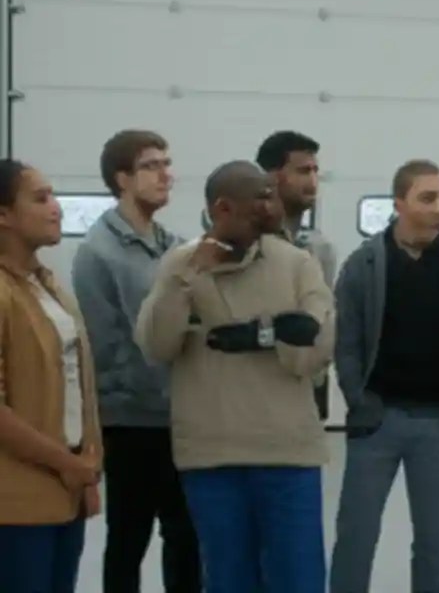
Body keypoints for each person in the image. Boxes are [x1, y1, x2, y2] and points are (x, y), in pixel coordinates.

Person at [134, 160, 334, 593]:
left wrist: (261, 334)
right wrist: (188, 279)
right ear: (223, 209)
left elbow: (314, 349)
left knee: (298, 581)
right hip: (212, 458)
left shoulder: (298, 264)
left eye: (272, 194)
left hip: (287, 456)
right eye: (261, 198)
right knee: (228, 581)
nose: (273, 205)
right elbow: (155, 346)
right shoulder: (181, 265)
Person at [329, 159, 439, 593]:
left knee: (431, 541)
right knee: (356, 535)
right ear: (399, 203)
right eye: (427, 198)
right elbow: (345, 342)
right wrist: (359, 400)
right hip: (377, 421)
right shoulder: (363, 265)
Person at [72, 130, 201, 593]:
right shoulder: (99, 252)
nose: (167, 174)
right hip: (131, 421)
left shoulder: (176, 246)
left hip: (178, 418)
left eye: (167, 163)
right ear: (121, 178)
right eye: (152, 166)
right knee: (129, 538)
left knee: (186, 536)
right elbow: (106, 348)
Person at [0, 159, 104, 593]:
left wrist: (87, 471)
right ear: (3, 215)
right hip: (16, 503)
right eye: (40, 198)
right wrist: (69, 464)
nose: (56, 208)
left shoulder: (48, 285)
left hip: (66, 495)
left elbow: (78, 387)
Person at [256, 131, 336, 420]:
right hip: (256, 392)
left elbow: (325, 320)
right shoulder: (250, 245)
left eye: (315, 171)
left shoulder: (319, 249)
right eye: (303, 171)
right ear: (273, 177)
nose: (312, 181)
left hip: (306, 391)